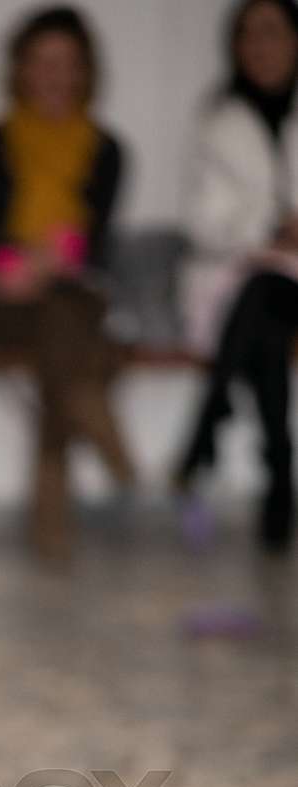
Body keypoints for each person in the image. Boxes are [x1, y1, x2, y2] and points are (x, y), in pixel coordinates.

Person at [0, 5, 133, 557]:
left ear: (86, 71)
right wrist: (20, 267)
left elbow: (98, 237)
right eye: (42, 62)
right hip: (1, 293)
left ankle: (51, 515)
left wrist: (54, 262)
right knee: (75, 342)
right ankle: (105, 438)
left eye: (67, 63)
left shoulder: (107, 150)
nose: (54, 75)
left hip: (71, 288)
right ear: (21, 70)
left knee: (62, 331)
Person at [176, 0, 298, 552]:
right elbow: (203, 221)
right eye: (248, 35)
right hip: (250, 275)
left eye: (271, 33)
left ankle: (208, 425)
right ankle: (280, 475)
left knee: (261, 300)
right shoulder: (218, 121)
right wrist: (269, 228)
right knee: (263, 310)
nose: (260, 46)